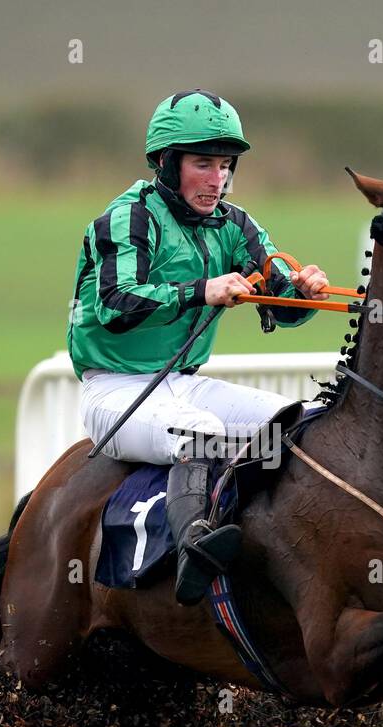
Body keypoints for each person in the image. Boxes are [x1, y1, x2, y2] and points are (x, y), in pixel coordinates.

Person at [67, 88, 330, 605]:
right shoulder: (128, 218)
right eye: (203, 164)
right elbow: (117, 305)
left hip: (185, 384)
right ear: (165, 164)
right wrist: (202, 291)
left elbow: (278, 301)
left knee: (301, 423)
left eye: (225, 166)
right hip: (116, 392)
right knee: (202, 433)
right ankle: (195, 551)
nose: (218, 180)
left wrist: (303, 293)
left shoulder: (235, 224)